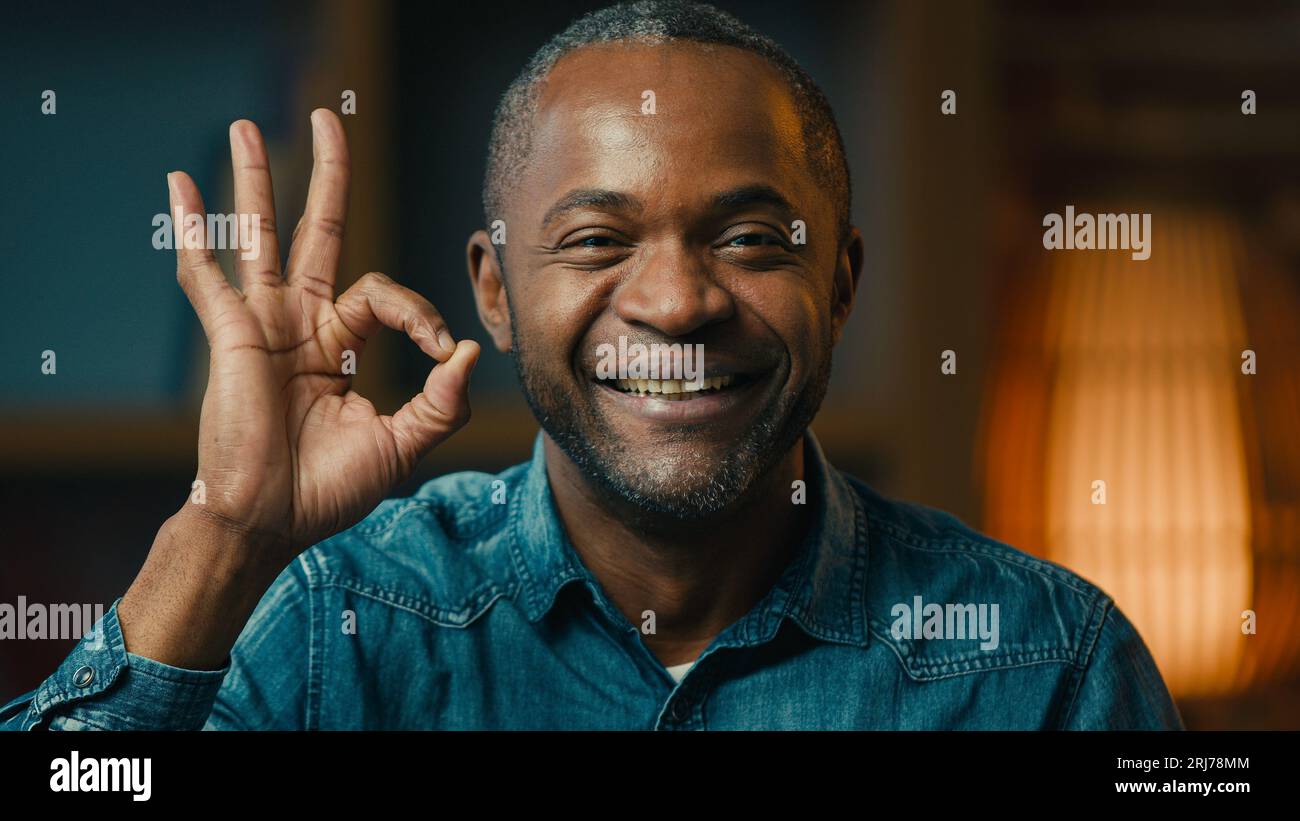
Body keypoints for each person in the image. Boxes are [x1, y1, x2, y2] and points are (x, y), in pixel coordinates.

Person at [1, 0, 1182, 730]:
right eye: (597, 241)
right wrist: (222, 536)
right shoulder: (336, 628)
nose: (675, 301)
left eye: (749, 238)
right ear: (497, 290)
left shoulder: (1046, 666)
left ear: (841, 282)